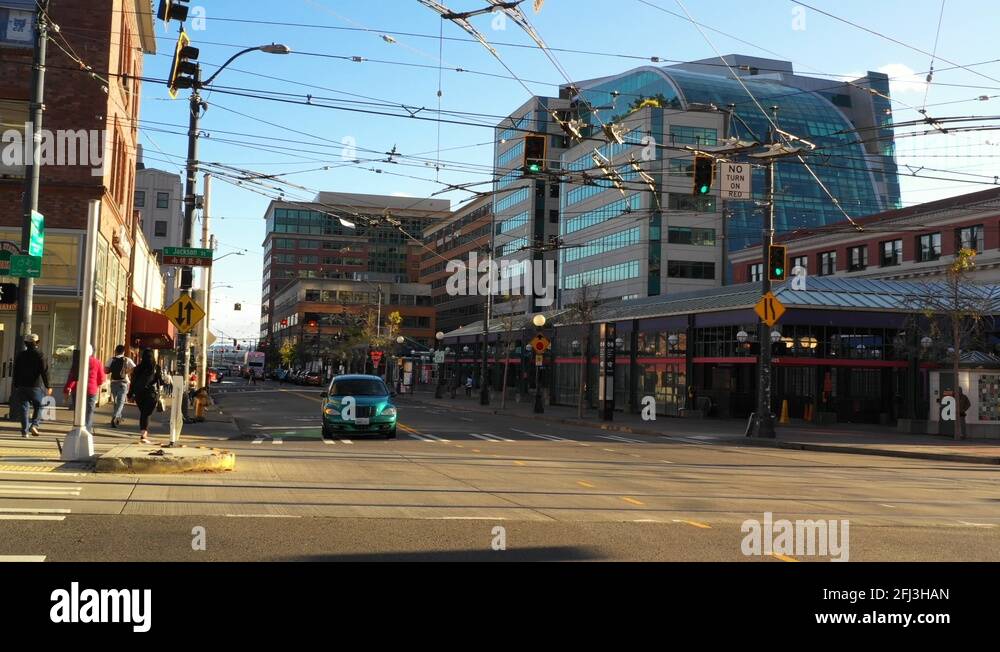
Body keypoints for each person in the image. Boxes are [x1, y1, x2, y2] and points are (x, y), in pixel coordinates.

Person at [12, 334, 52, 438]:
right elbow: (44, 372)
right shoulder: (40, 355)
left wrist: (16, 384)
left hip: (21, 386)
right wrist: (48, 386)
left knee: (24, 408)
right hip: (35, 386)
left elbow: (15, 371)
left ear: (25, 343)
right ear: (38, 342)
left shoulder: (20, 355)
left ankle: (24, 432)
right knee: (40, 405)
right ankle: (34, 424)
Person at [64, 344, 106, 433]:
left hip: (78, 389)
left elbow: (72, 376)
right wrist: (97, 384)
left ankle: (77, 428)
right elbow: (101, 378)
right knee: (89, 412)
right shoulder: (97, 362)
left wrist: (67, 388)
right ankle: (87, 430)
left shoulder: (78, 362)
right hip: (91, 390)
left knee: (78, 411)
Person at [128, 349, 166, 444]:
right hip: (151, 394)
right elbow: (160, 381)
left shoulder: (137, 368)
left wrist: (130, 394)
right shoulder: (156, 367)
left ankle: (144, 433)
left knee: (144, 413)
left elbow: (133, 382)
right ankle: (144, 434)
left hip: (139, 394)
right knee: (146, 414)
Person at [105, 345, 135, 428]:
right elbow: (135, 368)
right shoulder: (127, 359)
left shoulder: (112, 359)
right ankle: (116, 417)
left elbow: (105, 371)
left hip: (114, 383)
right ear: (123, 352)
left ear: (115, 351)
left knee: (115, 402)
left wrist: (112, 369)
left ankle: (116, 418)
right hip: (123, 383)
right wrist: (126, 371)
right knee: (121, 402)